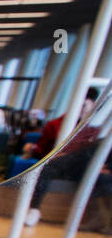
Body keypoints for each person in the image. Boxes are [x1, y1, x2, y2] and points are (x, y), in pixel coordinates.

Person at [26, 88, 107, 228]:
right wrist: (33, 149)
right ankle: (34, 209)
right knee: (48, 168)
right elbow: (43, 150)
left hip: (83, 167)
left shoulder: (94, 130)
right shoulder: (56, 125)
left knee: (96, 167)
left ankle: (98, 219)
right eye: (79, 105)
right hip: (58, 165)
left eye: (85, 106)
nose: (81, 110)